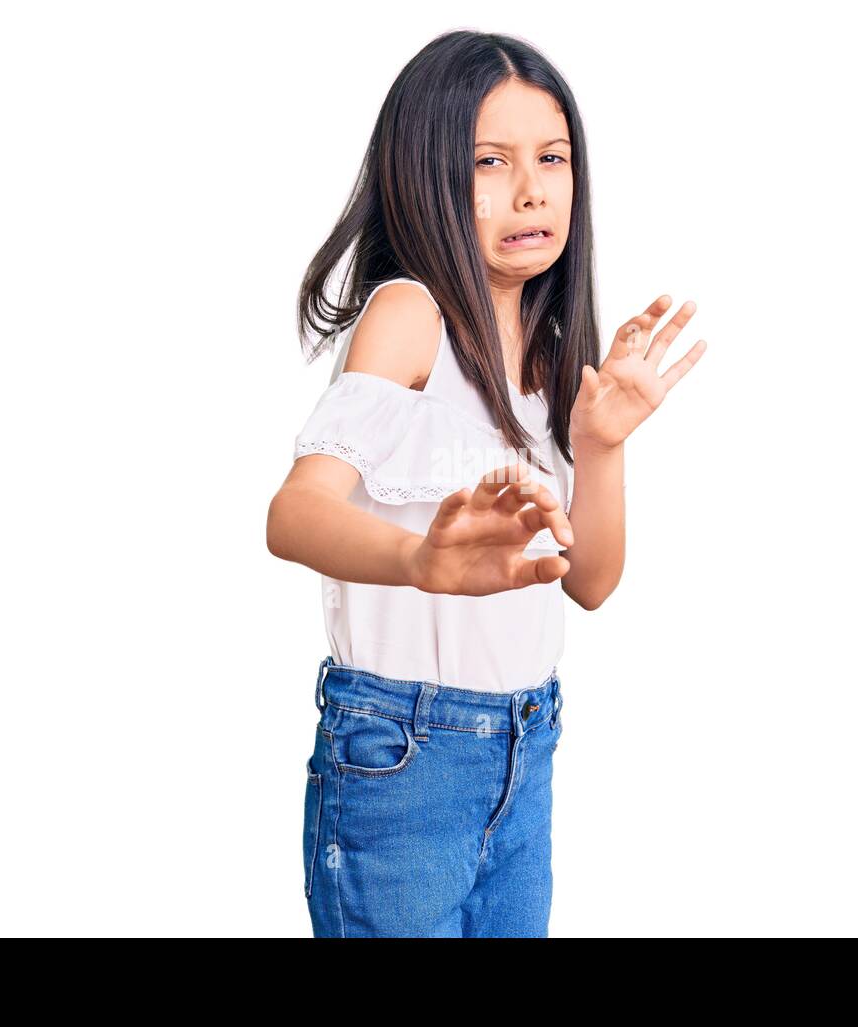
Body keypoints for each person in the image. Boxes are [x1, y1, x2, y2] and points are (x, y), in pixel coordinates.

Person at [266, 30, 707, 937]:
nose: (532, 189)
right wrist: (419, 558)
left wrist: (602, 446)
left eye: (551, 157)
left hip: (526, 744)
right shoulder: (410, 313)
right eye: (489, 162)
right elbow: (294, 511)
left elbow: (588, 582)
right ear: (425, 175)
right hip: (404, 755)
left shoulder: (551, 356)